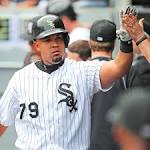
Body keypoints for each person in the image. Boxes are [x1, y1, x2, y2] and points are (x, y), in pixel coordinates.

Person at [0, 12, 133, 149]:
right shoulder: (20, 78)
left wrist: (126, 40)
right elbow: (2, 120)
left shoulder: (82, 72)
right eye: (47, 40)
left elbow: (119, 67)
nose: (54, 44)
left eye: (58, 38)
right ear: (37, 45)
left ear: (66, 41)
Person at [89, 19, 125, 150]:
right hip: (114, 144)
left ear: (89, 43)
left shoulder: (77, 71)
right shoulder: (125, 72)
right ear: (114, 44)